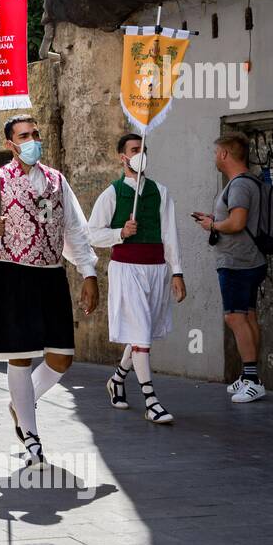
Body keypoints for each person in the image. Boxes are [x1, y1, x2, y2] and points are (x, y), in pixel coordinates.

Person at [0, 115, 99, 470]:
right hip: (13, 275)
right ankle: (31, 437)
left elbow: (74, 228)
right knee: (21, 358)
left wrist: (88, 272)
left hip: (51, 275)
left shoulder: (57, 180)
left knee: (61, 358)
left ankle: (20, 402)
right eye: (24, 136)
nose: (32, 140)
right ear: (10, 144)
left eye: (35, 134)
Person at [88, 134, 186, 424]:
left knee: (142, 330)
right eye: (134, 150)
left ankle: (117, 379)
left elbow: (170, 234)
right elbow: (92, 233)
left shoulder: (161, 192)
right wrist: (120, 233)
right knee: (141, 333)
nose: (140, 154)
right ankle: (151, 401)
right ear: (122, 157)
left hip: (156, 268)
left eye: (143, 149)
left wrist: (177, 271)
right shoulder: (112, 193)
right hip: (127, 268)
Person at [192, 132, 267, 403]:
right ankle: (250, 376)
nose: (214, 157)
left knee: (235, 317)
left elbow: (236, 224)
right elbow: (236, 219)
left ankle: (251, 379)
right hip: (250, 260)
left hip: (238, 262)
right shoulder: (248, 183)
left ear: (224, 154)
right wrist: (214, 218)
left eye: (215, 153)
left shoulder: (238, 186)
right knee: (247, 316)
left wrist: (212, 225)